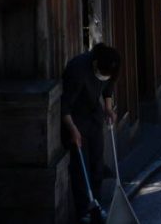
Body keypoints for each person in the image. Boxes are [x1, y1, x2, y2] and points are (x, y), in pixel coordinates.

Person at [60, 43, 122, 223]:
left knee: (97, 163)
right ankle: (84, 211)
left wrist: (109, 109)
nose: (105, 77)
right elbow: (65, 106)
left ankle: (96, 204)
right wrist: (73, 131)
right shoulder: (77, 70)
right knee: (81, 167)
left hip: (94, 117)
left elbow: (108, 87)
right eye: (103, 74)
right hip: (75, 118)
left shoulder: (110, 65)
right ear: (95, 64)